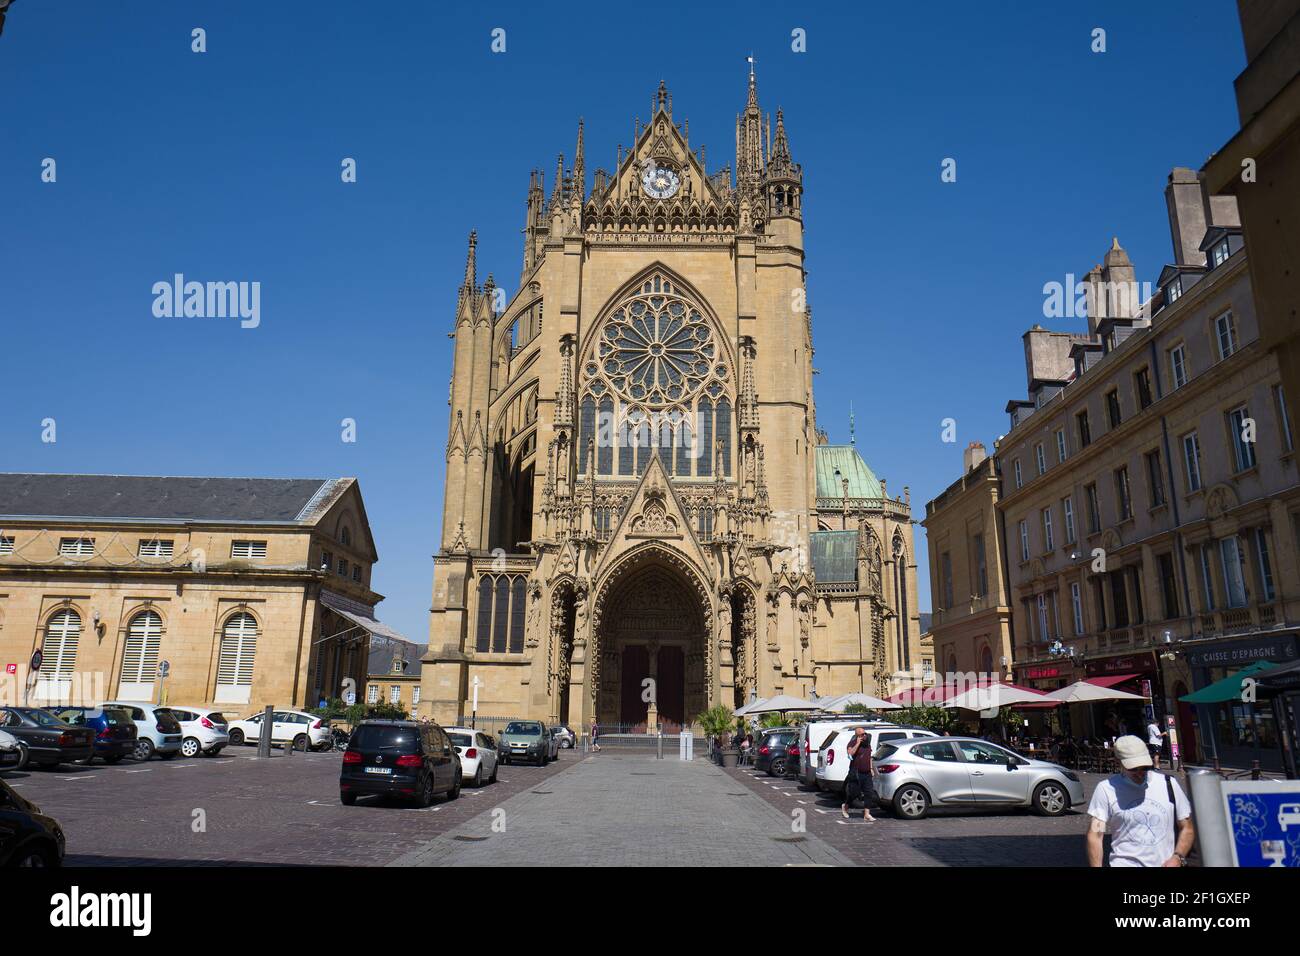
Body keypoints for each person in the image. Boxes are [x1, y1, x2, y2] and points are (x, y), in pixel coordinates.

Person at [1086, 735, 1194, 868]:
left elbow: (1187, 827)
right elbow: (1095, 834)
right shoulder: (1106, 789)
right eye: (1133, 768)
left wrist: (1178, 857)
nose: (1140, 772)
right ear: (1118, 762)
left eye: (1144, 767)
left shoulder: (1168, 784)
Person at [841, 726, 878, 823]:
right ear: (857, 736)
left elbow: (869, 757)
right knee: (854, 793)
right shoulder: (852, 743)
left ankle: (867, 814)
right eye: (862, 734)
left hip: (867, 773)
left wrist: (871, 769)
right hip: (856, 773)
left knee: (869, 793)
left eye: (865, 734)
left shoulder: (867, 745)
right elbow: (850, 755)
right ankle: (845, 807)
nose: (864, 735)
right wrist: (857, 743)